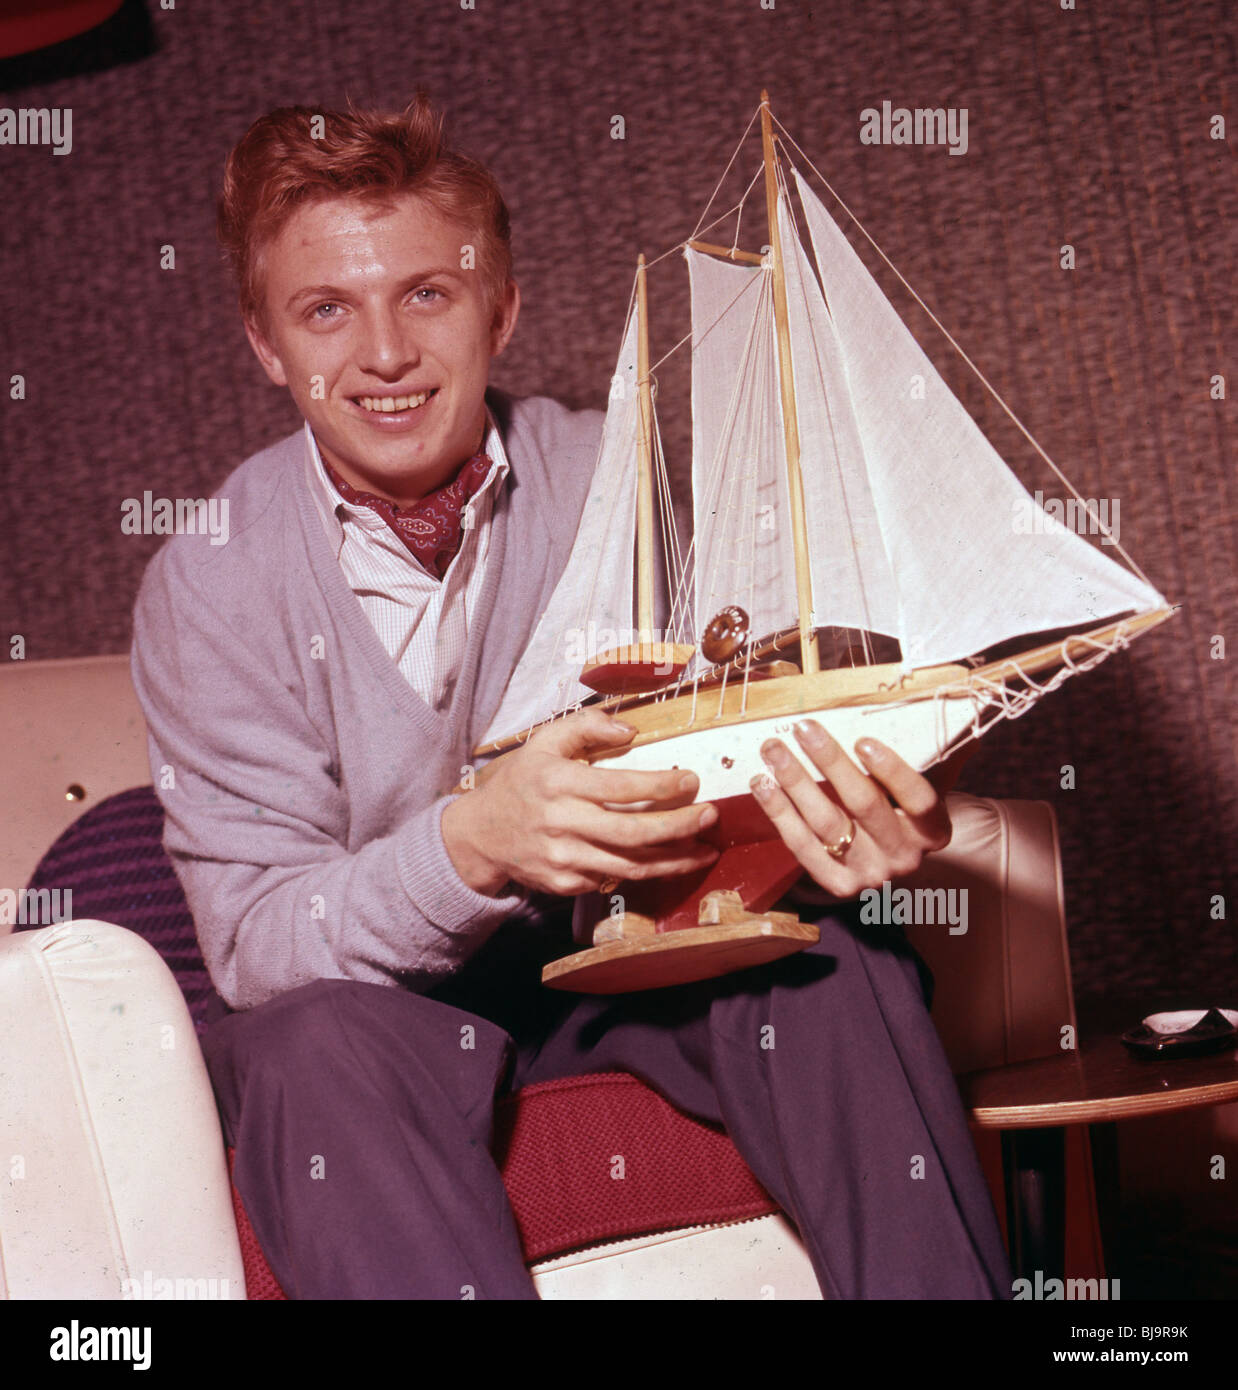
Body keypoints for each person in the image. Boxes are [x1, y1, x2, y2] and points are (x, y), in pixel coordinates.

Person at [130, 95, 1012, 1300]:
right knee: (311, 1043)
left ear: (503, 306)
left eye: (427, 293)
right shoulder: (210, 576)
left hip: (602, 981)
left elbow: (696, 792)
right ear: (266, 345)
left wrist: (814, 834)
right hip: (365, 1033)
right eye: (325, 309)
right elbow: (256, 945)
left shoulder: (611, 470)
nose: (382, 353)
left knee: (829, 964)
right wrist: (471, 845)